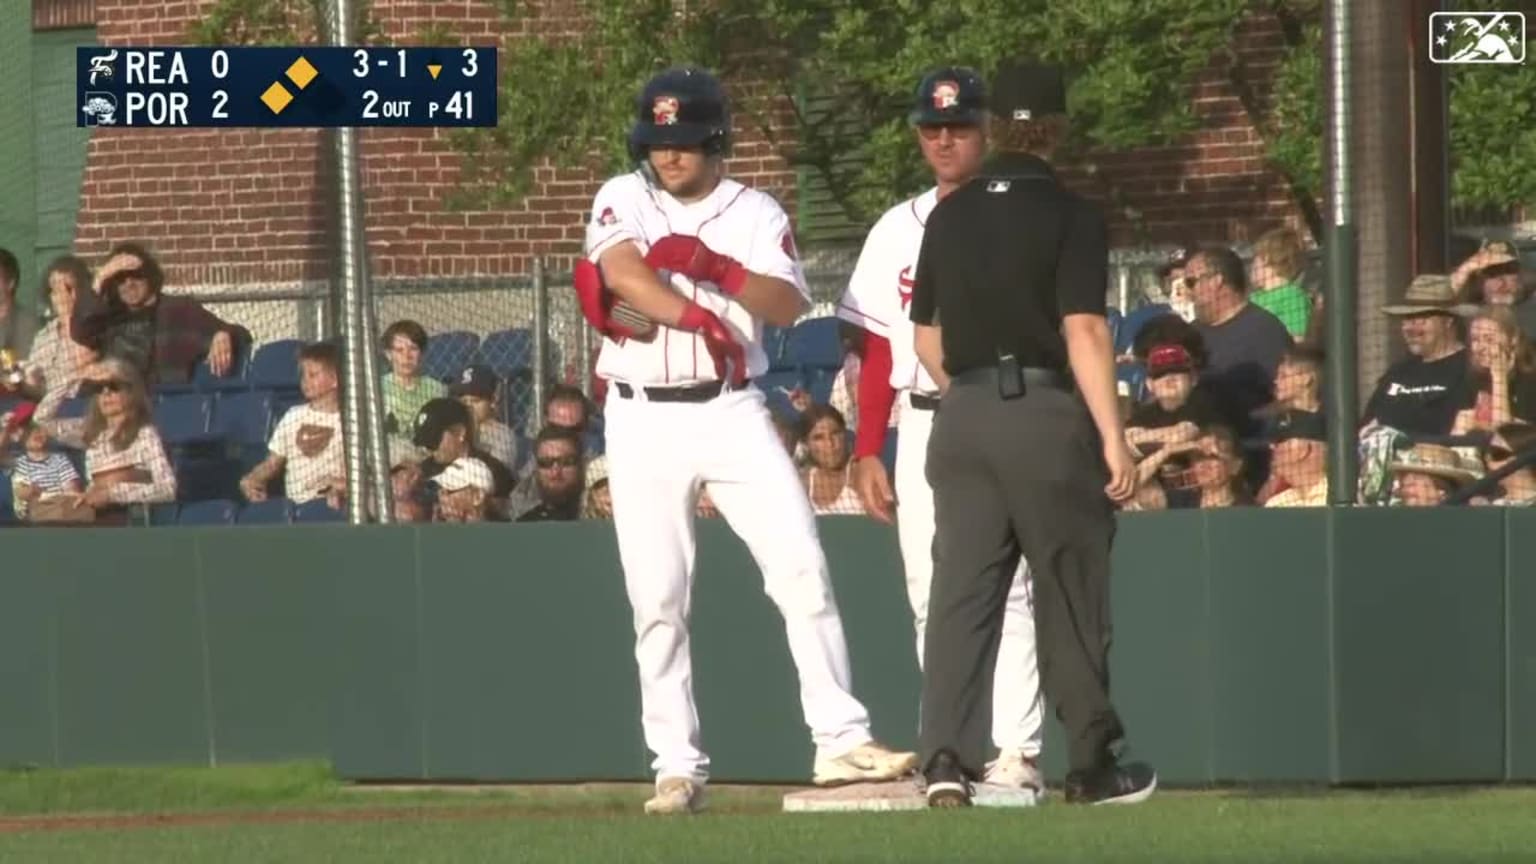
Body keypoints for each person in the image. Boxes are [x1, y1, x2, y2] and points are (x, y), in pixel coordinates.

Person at [573, 65, 916, 815]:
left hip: (731, 410)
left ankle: (840, 740)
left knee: (802, 570)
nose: (669, 155)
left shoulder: (753, 208)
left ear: (715, 137)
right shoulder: (621, 193)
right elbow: (622, 275)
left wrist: (719, 272)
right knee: (657, 598)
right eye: (659, 141)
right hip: (640, 415)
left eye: (685, 141)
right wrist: (693, 317)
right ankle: (676, 764)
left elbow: (789, 303)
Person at [907, 61, 1154, 808]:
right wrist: (1113, 435)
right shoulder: (1072, 214)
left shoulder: (947, 214)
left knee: (961, 597)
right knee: (1070, 590)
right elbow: (1082, 328)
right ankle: (1089, 767)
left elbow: (925, 338)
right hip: (1044, 411)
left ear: (993, 129)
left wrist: (976, 401)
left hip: (963, 415)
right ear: (1058, 128)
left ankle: (945, 761)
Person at [836, 66, 1043, 793]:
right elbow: (872, 346)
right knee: (931, 587)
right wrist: (867, 446)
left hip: (1009, 407)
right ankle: (951, 745)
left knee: (1010, 583)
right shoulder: (898, 226)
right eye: (933, 127)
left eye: (958, 126)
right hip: (924, 420)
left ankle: (1018, 747)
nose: (945, 138)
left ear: (988, 129)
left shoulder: (1025, 211)